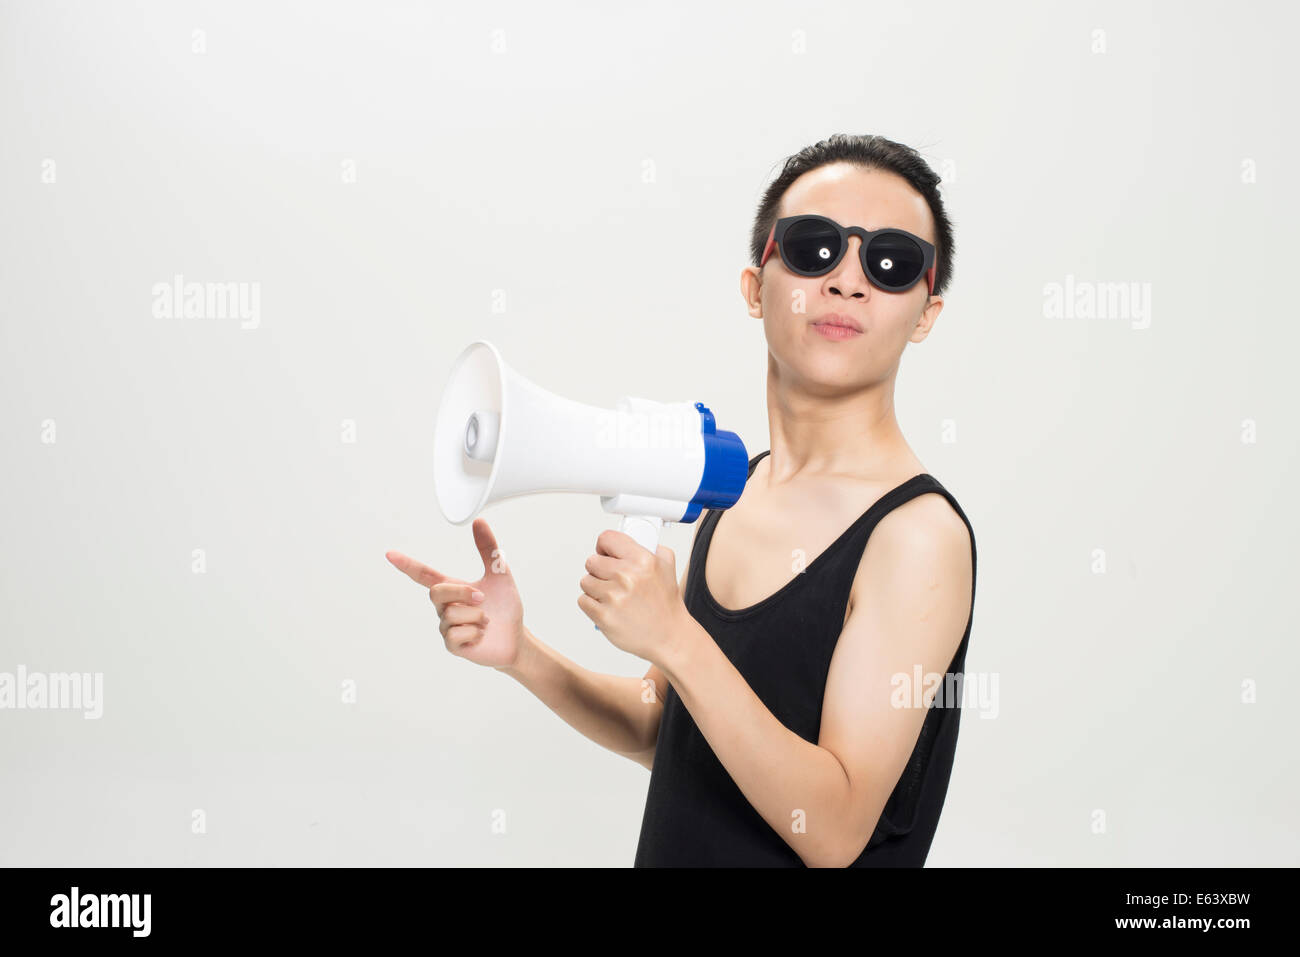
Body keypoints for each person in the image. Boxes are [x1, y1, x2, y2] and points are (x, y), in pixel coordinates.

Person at [387, 133, 977, 867]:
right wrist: (522, 654)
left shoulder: (917, 536)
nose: (848, 281)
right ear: (755, 287)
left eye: (891, 263)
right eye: (814, 248)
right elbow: (664, 731)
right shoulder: (735, 493)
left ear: (926, 314)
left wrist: (673, 636)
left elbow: (834, 828)